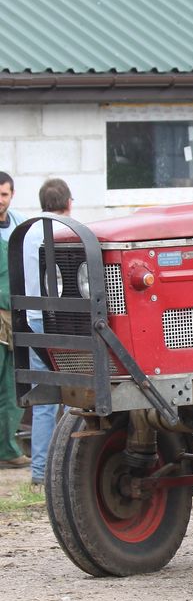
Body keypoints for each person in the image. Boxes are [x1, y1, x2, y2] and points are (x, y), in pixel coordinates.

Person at [23, 179, 73, 484]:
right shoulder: (69, 229)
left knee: (44, 400)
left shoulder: (28, 232)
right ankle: (69, 467)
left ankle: (40, 471)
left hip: (33, 320)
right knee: (75, 396)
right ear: (69, 202)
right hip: (62, 322)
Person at [0, 171, 28, 469]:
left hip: (13, 316)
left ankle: (7, 449)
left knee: (12, 385)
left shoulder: (19, 224)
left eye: (4, 195)